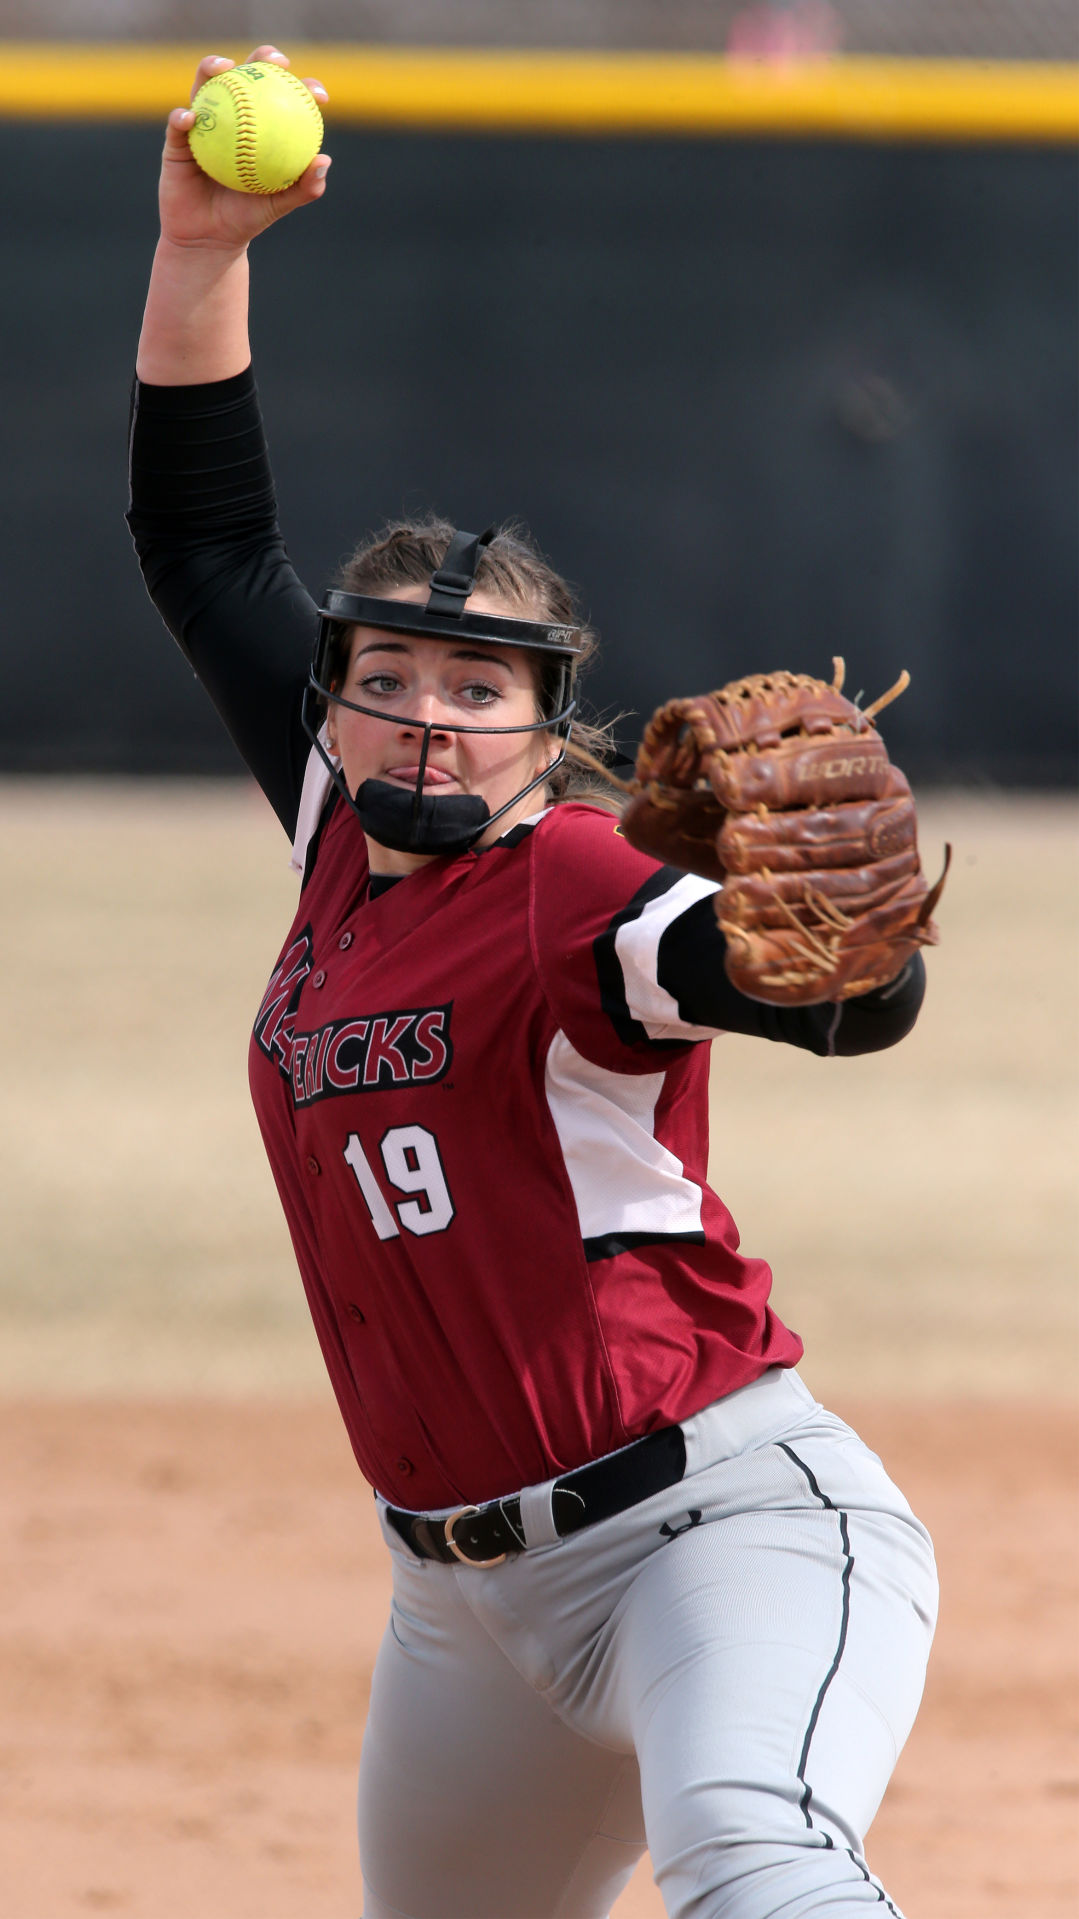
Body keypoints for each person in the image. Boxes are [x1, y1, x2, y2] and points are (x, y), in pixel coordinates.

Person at [128, 49, 938, 1919]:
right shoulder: (341, 838)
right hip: (460, 1611)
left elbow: (776, 985)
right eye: (392, 674)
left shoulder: (573, 880)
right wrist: (199, 252)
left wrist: (845, 979)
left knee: (752, 1852)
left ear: (543, 730)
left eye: (480, 687)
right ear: (336, 698)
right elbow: (199, 545)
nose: (429, 711)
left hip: (716, 1531)